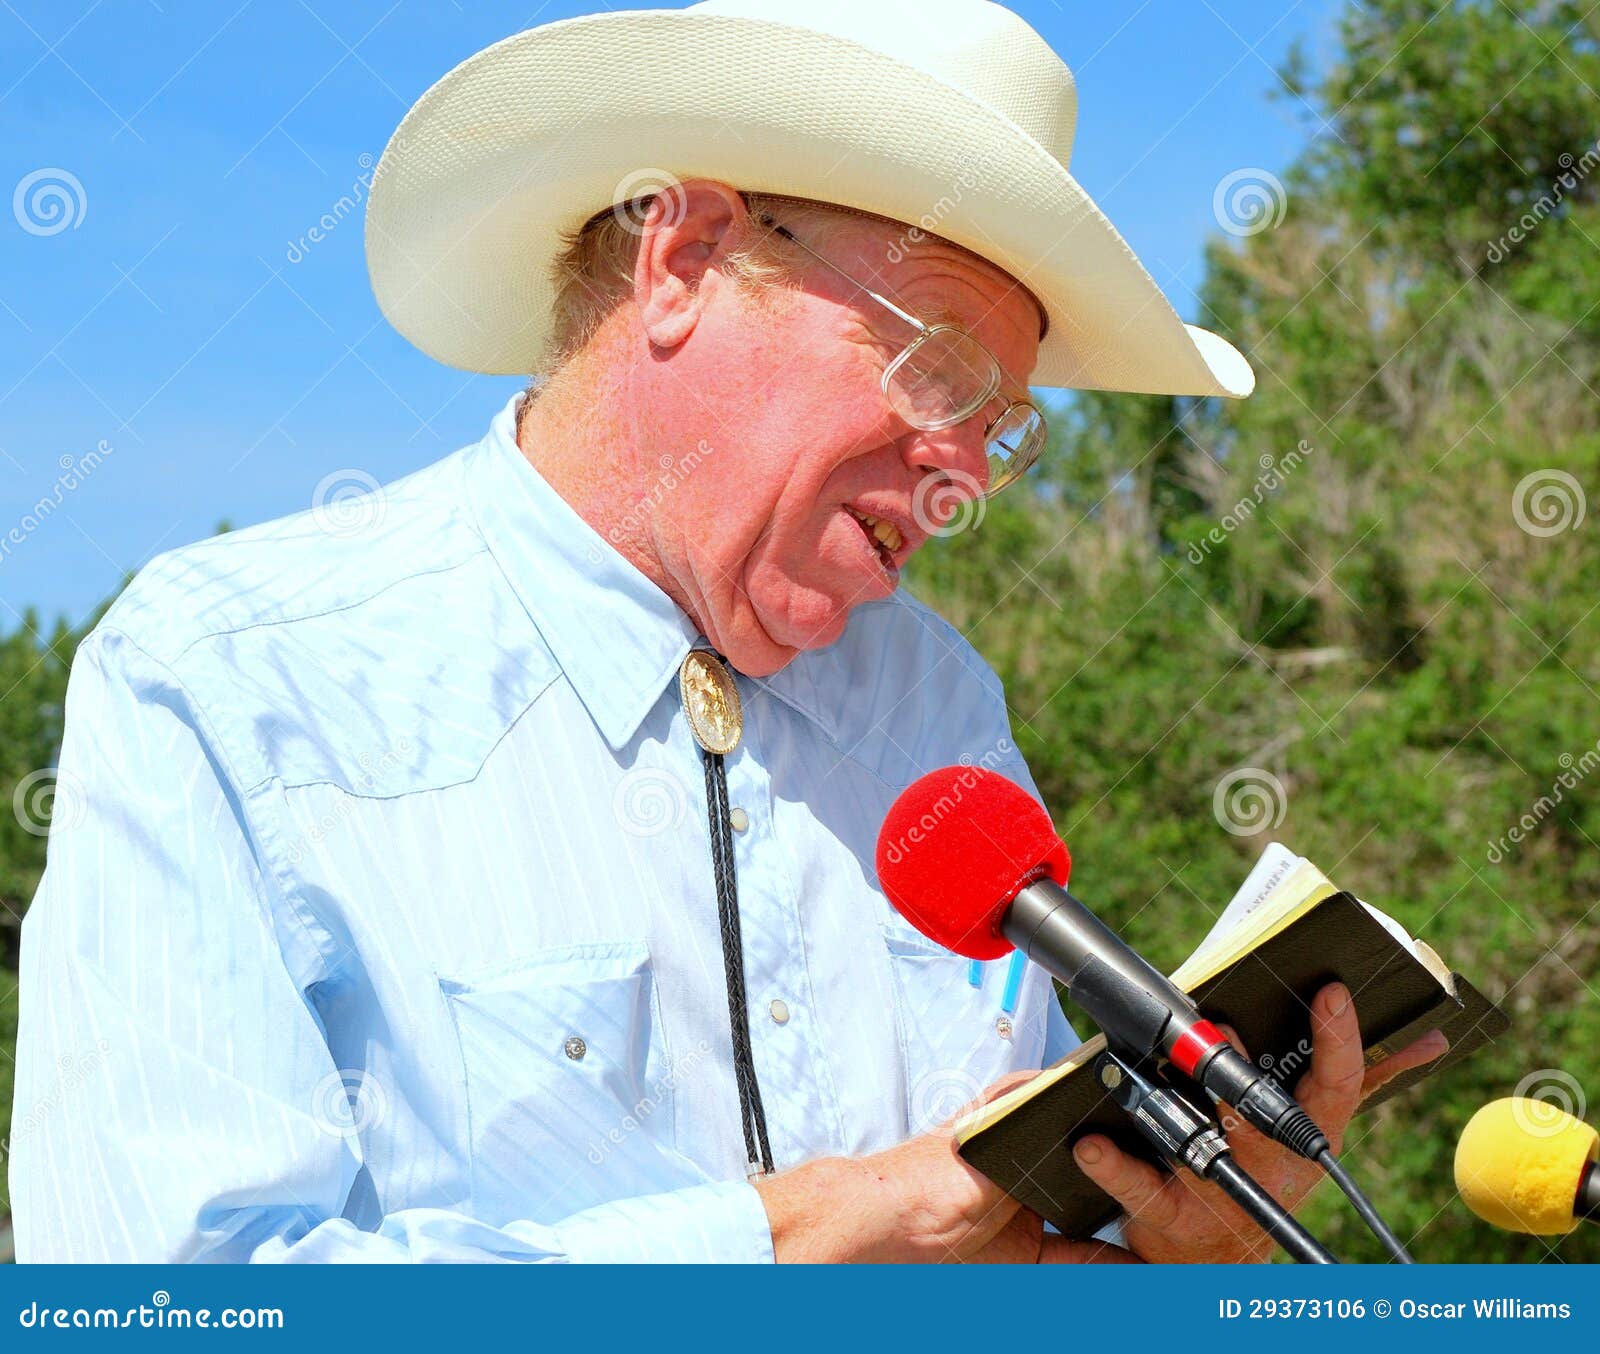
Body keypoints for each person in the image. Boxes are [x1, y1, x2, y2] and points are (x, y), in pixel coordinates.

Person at [9, 0, 1446, 1262]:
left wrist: (1175, 1257)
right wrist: (801, 1233)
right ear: (685, 259)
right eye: (940, 367)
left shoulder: (938, 702)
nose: (963, 475)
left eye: (1003, 432)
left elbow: (989, 1247)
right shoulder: (225, 671)